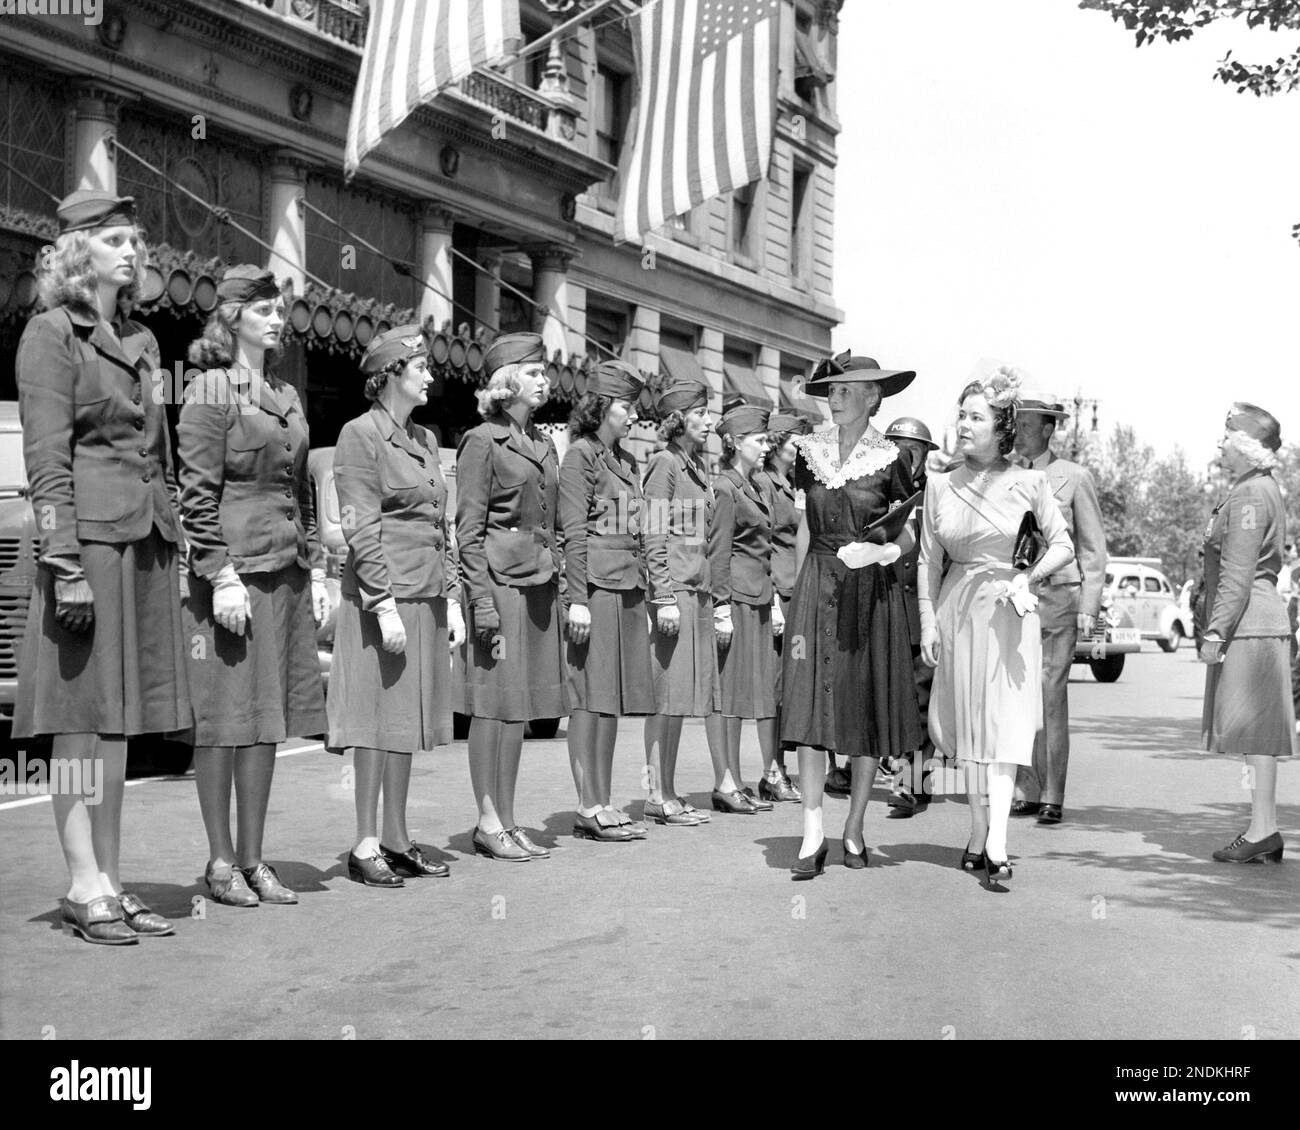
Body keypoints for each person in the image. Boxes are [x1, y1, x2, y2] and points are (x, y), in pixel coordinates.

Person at [15, 190, 190, 943]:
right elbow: (46, 458)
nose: (131, 251)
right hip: (85, 545)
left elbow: (158, 453)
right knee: (80, 723)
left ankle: (113, 878)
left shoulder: (145, 343)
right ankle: (83, 884)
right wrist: (61, 559)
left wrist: (176, 545)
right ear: (78, 253)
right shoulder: (50, 334)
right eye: (114, 239)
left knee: (118, 725)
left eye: (136, 239)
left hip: (143, 543)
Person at [177, 265, 330, 907]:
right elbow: (195, 494)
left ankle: (254, 858)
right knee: (224, 721)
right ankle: (219, 861)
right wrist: (221, 575)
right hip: (234, 578)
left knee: (265, 721)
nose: (277, 317)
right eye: (262, 307)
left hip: (286, 573)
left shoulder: (286, 394)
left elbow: (302, 491)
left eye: (280, 308)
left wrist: (318, 566)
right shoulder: (211, 388)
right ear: (232, 316)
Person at [918, 368, 1075, 882]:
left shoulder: (1031, 482)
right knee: (967, 728)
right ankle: (978, 827)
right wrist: (927, 621)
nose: (964, 424)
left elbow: (1063, 545)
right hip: (957, 612)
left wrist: (1028, 578)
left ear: (1002, 427)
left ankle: (999, 840)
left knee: (1005, 726)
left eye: (976, 417)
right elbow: (928, 561)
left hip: (1010, 613)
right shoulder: (939, 485)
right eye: (961, 415)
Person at [327, 326, 466, 887]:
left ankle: (397, 838)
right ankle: (364, 842)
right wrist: (382, 603)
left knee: (404, 725)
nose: (429, 375)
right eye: (420, 366)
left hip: (427, 594)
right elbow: (361, 525)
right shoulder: (359, 435)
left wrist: (452, 597)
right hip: (384, 596)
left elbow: (441, 526)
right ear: (390, 376)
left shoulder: (425, 440)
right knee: (376, 724)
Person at [783, 353, 923, 877]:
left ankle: (855, 827)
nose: (834, 397)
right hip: (817, 586)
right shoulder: (808, 451)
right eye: (831, 391)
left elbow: (909, 530)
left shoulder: (892, 459)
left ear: (872, 397)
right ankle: (812, 830)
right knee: (810, 711)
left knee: (862, 710)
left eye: (845, 390)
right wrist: (797, 594)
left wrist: (885, 552)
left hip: (870, 592)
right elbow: (802, 528)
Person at [456, 333, 568, 861]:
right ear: (507, 381)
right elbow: (468, 531)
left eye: (544, 371)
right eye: (535, 370)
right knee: (492, 709)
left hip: (538, 586)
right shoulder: (482, 440)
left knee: (517, 709)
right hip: (499, 588)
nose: (545, 378)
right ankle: (487, 820)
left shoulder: (544, 444)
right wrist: (480, 603)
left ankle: (508, 815)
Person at [559, 360, 655, 842]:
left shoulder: (628, 461)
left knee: (610, 702)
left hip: (628, 589)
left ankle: (605, 798)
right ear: (600, 407)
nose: (633, 415)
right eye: (625, 405)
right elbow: (573, 531)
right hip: (595, 588)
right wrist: (576, 598)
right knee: (588, 701)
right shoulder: (580, 455)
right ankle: (587, 804)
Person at [1199, 403, 1296, 863]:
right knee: (1256, 740)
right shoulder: (1254, 488)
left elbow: (1238, 572)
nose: (1219, 443)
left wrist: (1215, 632)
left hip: (1249, 628)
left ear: (1244, 446)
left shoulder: (1251, 495)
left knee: (1256, 739)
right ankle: (1264, 828)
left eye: (1225, 436)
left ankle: (1263, 830)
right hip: (1257, 625)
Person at [1008, 391, 1107, 826]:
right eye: (1017, 424)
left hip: (1058, 596)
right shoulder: (1003, 473)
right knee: (1014, 693)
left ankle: (1052, 793)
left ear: (1048, 429)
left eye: (1028, 425)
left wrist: (1089, 605)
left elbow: (1093, 548)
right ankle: (1024, 786)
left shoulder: (1074, 476)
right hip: (1013, 598)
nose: (1020, 432)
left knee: (1050, 693)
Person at [641, 375, 728, 823]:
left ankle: (666, 790)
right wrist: (663, 594)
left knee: (677, 701)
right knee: (664, 699)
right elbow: (653, 531)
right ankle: (656, 794)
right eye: (700, 414)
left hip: (696, 593)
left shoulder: (693, 466)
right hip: (674, 592)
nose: (709, 422)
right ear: (678, 420)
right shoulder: (664, 463)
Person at [711, 402, 782, 812]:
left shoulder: (753, 485)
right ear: (736, 443)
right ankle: (727, 782)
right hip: (735, 597)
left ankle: (735, 781)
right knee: (732, 695)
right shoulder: (725, 487)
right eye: (757, 439)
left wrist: (771, 600)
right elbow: (718, 551)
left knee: (750, 692)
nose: (765, 445)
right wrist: (720, 607)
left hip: (756, 596)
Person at [881, 416, 940, 818]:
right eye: (897, 449)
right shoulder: (874, 489)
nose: (904, 458)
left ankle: (914, 783)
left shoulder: (935, 495)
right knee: (888, 694)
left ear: (923, 458)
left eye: (912, 451)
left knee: (920, 697)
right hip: (883, 607)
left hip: (920, 609)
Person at [754, 410, 811, 803]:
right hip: (780, 594)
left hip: (798, 595)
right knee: (775, 688)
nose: (800, 450)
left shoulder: (791, 485)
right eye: (795, 443)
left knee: (790, 686)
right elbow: (763, 545)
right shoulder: (765, 484)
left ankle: (780, 769)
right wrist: (773, 598)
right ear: (778, 443)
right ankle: (771, 771)